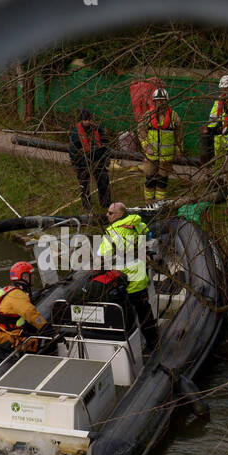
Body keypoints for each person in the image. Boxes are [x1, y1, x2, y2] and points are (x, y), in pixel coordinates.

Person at [97, 202, 159, 349]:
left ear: (119, 214)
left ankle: (132, 347)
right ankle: (153, 341)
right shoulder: (138, 223)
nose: (107, 215)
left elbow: (102, 256)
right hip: (139, 277)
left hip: (123, 282)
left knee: (125, 315)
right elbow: (147, 232)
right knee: (144, 310)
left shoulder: (111, 233)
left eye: (110, 213)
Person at [0, 261, 52, 351]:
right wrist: (45, 327)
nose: (34, 276)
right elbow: (30, 313)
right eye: (32, 274)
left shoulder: (8, 290)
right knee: (44, 342)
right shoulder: (18, 295)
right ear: (25, 277)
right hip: (11, 338)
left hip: (3, 334)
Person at [68, 109, 113, 211]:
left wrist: (107, 158)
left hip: (98, 160)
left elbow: (106, 144)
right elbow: (72, 149)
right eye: (85, 120)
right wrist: (75, 164)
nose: (87, 122)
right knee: (84, 185)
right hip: (83, 162)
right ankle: (86, 205)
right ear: (81, 120)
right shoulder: (76, 133)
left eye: (89, 119)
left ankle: (105, 203)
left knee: (104, 182)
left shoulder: (98, 130)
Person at [140, 87, 180, 202]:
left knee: (162, 181)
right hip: (151, 156)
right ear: (154, 101)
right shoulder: (148, 116)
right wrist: (146, 146)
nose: (159, 103)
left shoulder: (173, 116)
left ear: (166, 101)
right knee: (149, 179)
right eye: (157, 100)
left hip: (166, 157)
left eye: (162, 100)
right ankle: (148, 202)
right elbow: (141, 132)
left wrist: (178, 150)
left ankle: (159, 204)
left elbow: (179, 134)